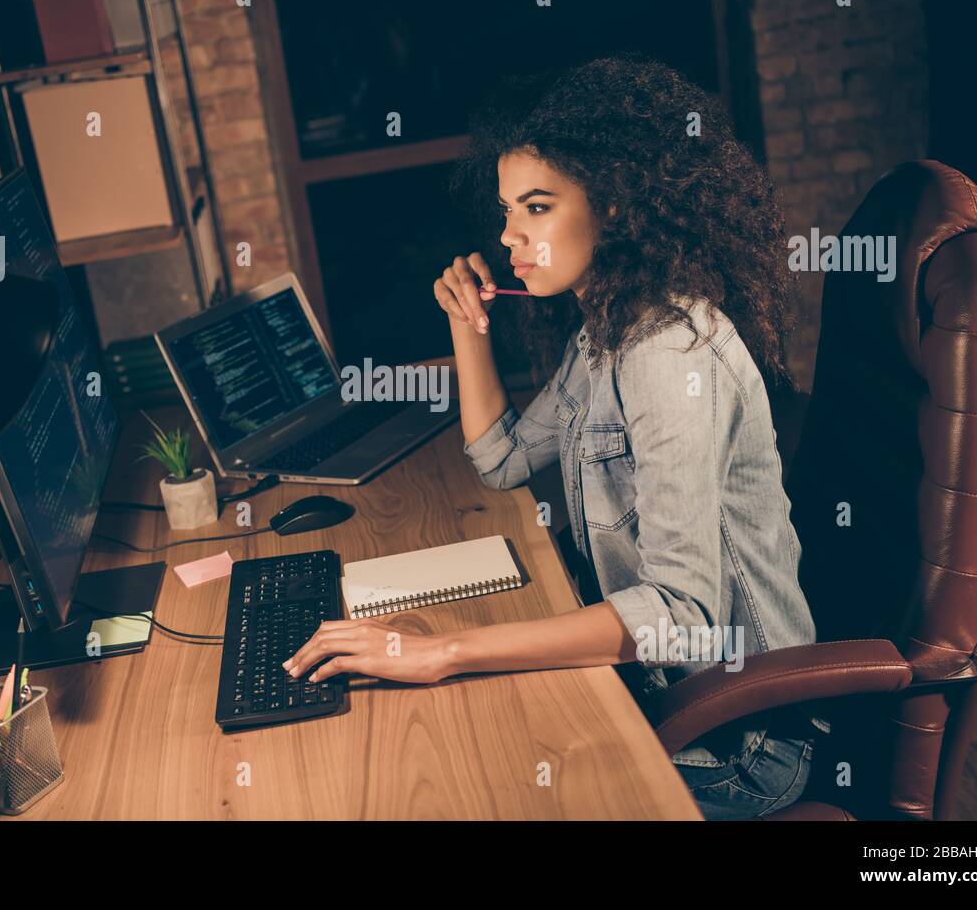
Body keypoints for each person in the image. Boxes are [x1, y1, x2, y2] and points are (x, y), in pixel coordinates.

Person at [284, 56, 828, 819]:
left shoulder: (669, 356)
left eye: (536, 208)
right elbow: (502, 461)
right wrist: (464, 326)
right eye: (508, 210)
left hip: (742, 741)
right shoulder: (607, 331)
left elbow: (682, 616)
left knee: (484, 788)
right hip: (671, 699)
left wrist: (446, 650)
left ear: (615, 205)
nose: (509, 235)